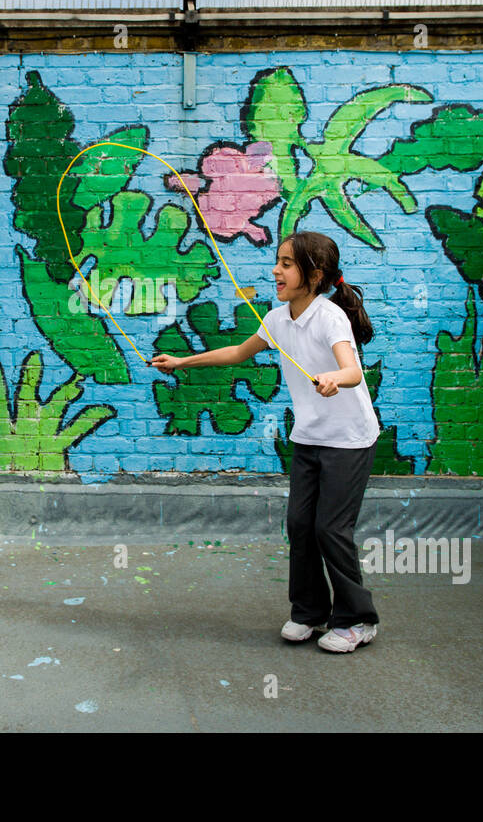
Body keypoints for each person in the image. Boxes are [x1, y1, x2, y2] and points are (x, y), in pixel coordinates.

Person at [151, 231, 381, 652]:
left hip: (349, 439)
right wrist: (182, 361)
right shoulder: (278, 319)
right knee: (300, 526)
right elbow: (238, 352)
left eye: (287, 264)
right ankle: (310, 613)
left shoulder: (329, 317)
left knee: (331, 529)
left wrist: (334, 377)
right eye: (278, 261)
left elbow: (353, 371)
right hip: (310, 437)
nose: (276, 270)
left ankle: (358, 620)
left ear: (313, 275)